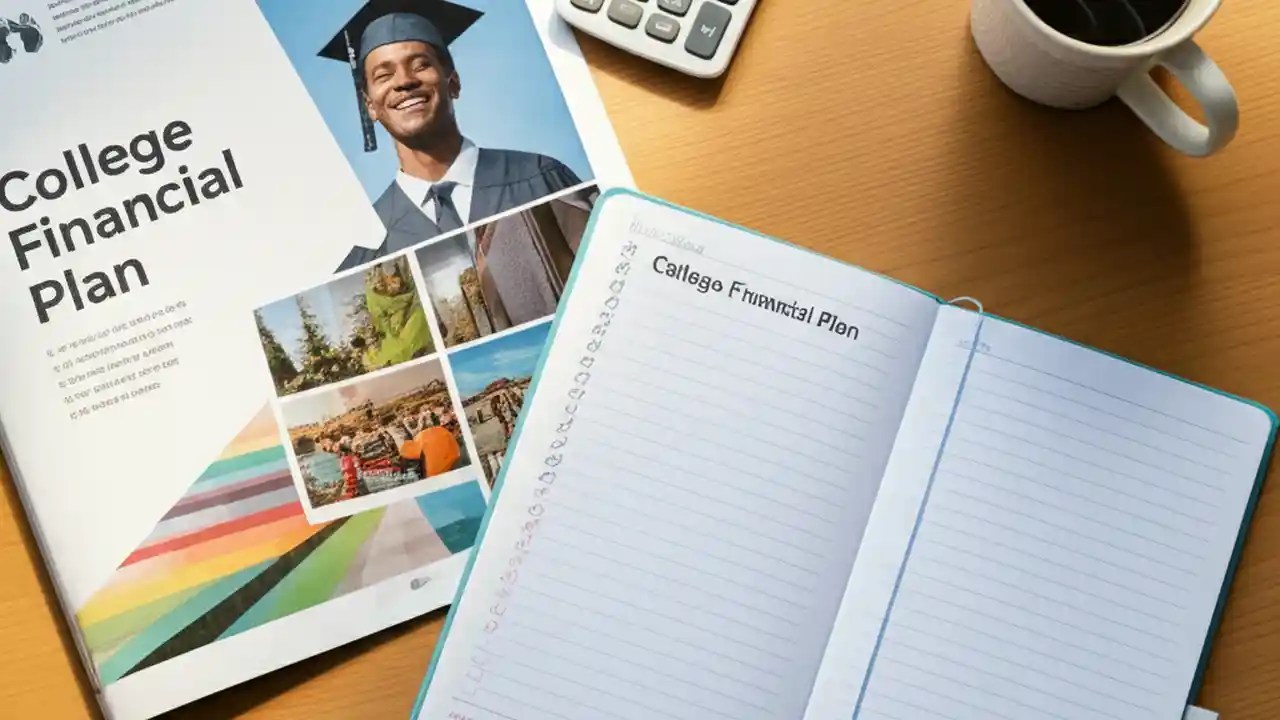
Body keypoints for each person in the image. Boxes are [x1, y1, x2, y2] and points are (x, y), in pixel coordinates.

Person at [320, 0, 584, 270]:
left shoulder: (541, 179)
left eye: (421, 65)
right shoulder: (368, 245)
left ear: (454, 83)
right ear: (370, 107)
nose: (403, 81)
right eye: (384, 75)